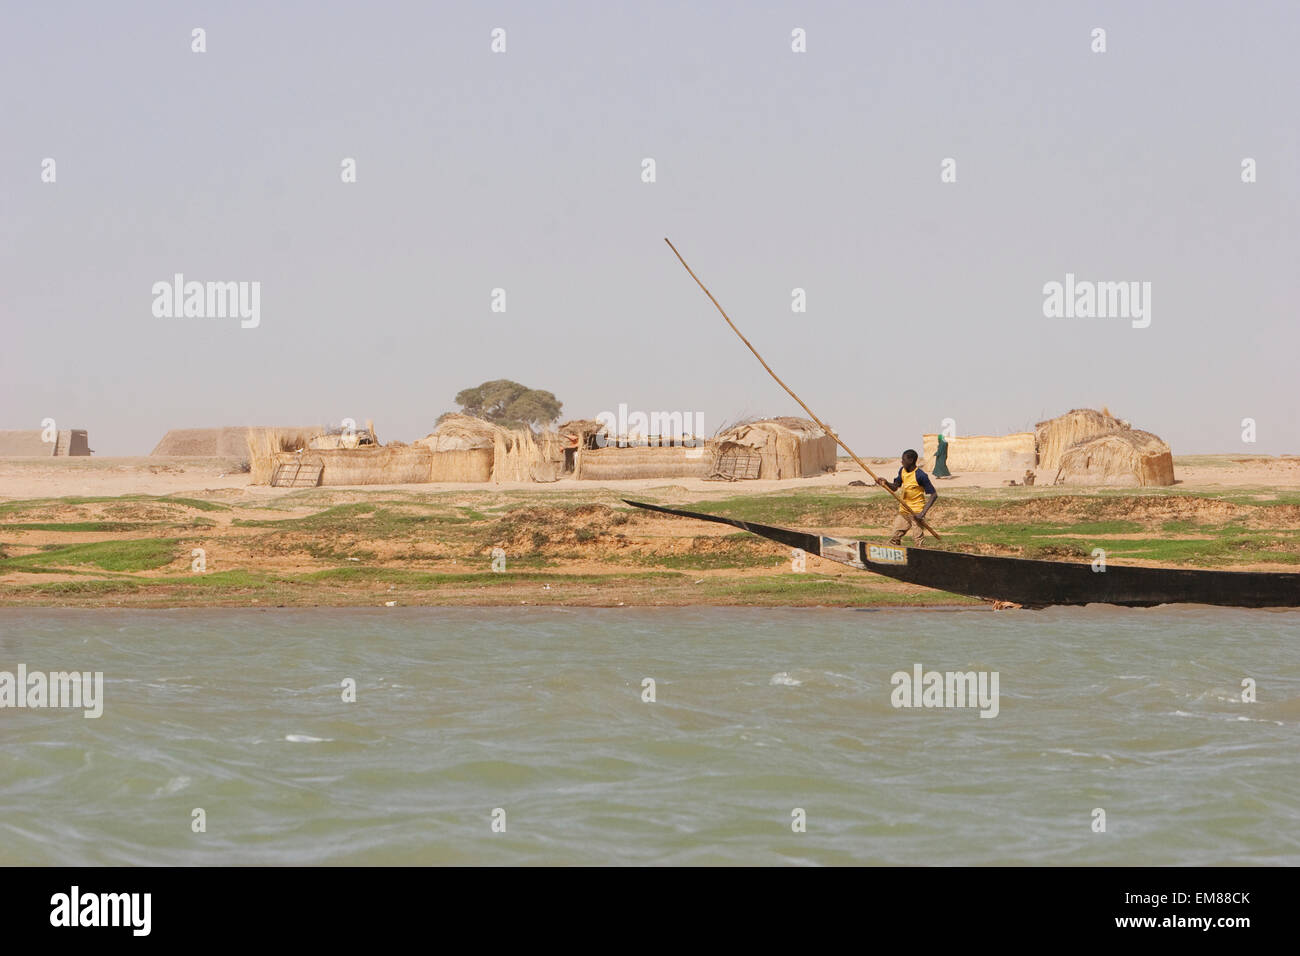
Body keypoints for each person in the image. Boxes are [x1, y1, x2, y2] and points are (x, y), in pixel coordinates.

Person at [876, 449, 937, 546]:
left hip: (916, 512)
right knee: (895, 538)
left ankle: (921, 557)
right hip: (904, 511)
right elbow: (895, 487)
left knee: (918, 541)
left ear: (911, 460)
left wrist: (922, 513)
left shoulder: (921, 475)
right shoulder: (902, 470)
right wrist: (886, 483)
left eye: (903, 460)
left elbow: (934, 495)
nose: (902, 462)